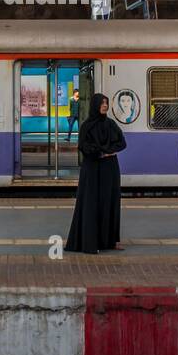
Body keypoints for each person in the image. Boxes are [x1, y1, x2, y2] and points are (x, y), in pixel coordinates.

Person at [65, 93, 126, 254]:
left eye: (106, 103)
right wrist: (103, 153)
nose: (105, 106)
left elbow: (122, 142)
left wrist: (107, 152)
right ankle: (91, 241)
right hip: (92, 169)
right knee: (92, 203)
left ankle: (110, 240)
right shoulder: (86, 126)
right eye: (102, 103)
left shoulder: (111, 124)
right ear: (95, 105)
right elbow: (84, 146)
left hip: (110, 170)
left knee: (109, 202)